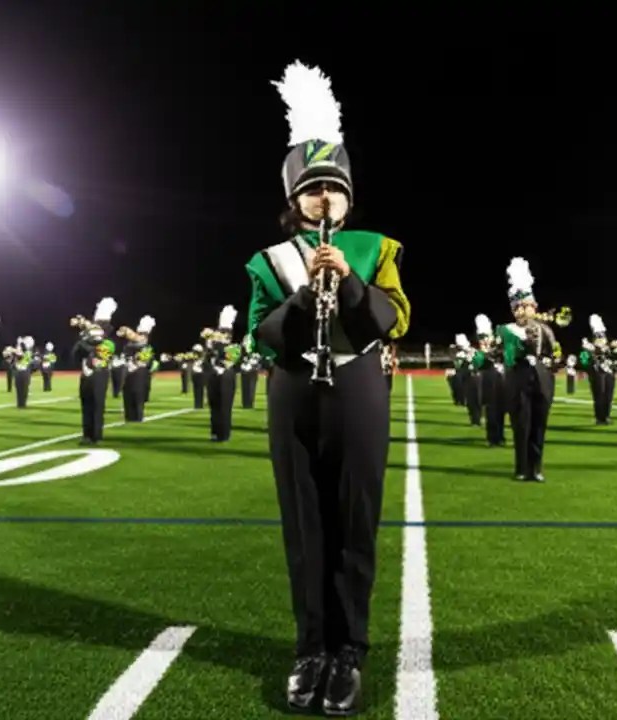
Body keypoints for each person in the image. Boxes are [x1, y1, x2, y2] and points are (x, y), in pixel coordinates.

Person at [246, 61, 410, 716]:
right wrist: (301, 295)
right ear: (295, 200)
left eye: (333, 190)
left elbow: (393, 319)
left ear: (347, 197)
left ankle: (351, 653)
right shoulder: (270, 260)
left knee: (355, 523)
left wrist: (348, 282)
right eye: (311, 190)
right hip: (293, 394)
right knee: (305, 526)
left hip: (359, 389)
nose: (323, 200)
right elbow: (262, 336)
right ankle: (310, 648)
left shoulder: (375, 248)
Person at [497, 257, 554, 481]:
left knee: (539, 424)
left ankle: (536, 468)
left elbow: (553, 353)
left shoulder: (545, 329)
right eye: (518, 307)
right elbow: (509, 356)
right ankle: (521, 468)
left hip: (541, 379)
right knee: (521, 424)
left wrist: (552, 362)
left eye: (526, 306)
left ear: (534, 307)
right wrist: (523, 344)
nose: (522, 310)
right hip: (518, 377)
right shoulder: (506, 330)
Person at [73, 298, 117, 445]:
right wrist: (83, 338)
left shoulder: (109, 344)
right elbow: (75, 354)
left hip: (100, 375)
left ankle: (97, 436)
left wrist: (85, 336)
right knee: (86, 405)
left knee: (98, 405)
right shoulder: (85, 341)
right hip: (85, 374)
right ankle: (86, 435)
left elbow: (97, 351)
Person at [204, 306, 240, 441]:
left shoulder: (233, 347)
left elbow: (229, 359)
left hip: (226, 377)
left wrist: (214, 342)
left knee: (224, 406)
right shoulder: (212, 346)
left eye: (223, 333)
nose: (220, 335)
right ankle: (214, 432)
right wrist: (209, 347)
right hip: (213, 376)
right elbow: (206, 361)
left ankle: (224, 434)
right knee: (213, 404)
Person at [475, 314, 507, 447]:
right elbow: (479, 363)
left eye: (486, 337)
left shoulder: (499, 344)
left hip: (501, 380)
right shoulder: (481, 352)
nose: (484, 340)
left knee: (501, 411)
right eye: (482, 338)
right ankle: (492, 438)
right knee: (491, 411)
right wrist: (485, 353)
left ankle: (500, 436)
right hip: (489, 380)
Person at [579, 314, 617, 425]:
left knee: (608, 395)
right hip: (597, 373)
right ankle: (599, 418)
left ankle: (606, 416)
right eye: (598, 337)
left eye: (602, 337)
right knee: (599, 395)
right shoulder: (589, 348)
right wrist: (590, 352)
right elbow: (584, 361)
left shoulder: (608, 348)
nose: (601, 339)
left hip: (609, 372)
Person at [121, 316, 156, 423]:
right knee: (127, 392)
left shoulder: (146, 346)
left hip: (140, 372)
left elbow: (146, 359)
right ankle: (129, 416)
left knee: (137, 393)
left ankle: (138, 416)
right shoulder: (129, 346)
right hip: (129, 371)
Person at [453, 333, 482, 425]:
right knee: (471, 401)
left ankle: (477, 418)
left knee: (478, 400)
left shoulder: (474, 351)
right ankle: (474, 420)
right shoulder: (459, 354)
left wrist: (472, 358)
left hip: (476, 378)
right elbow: (458, 366)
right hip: (467, 379)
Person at [12, 336, 39, 409]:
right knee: (19, 388)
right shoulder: (25, 352)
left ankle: (22, 404)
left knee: (24, 389)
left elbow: (20, 355)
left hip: (24, 371)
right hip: (19, 371)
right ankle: (20, 403)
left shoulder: (27, 352)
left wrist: (19, 344)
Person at [240, 334, 263, 409]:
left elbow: (259, 357)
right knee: (245, 386)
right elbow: (240, 357)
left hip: (253, 368)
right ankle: (245, 403)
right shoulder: (242, 348)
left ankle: (250, 403)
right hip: (245, 368)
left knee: (252, 386)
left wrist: (254, 363)